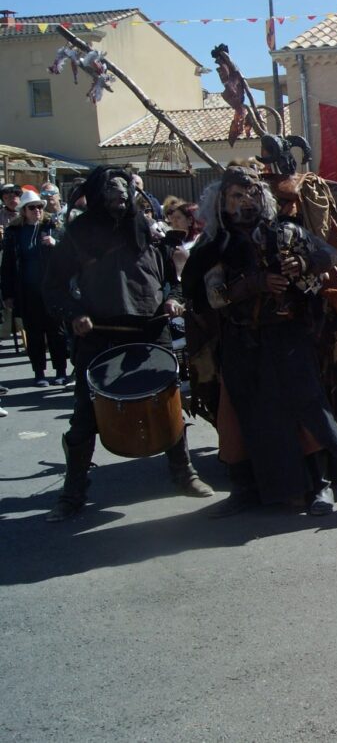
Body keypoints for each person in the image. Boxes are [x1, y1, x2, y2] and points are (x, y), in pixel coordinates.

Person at [42, 167, 212, 522]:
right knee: (85, 417)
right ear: (96, 194)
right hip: (99, 335)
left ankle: (184, 474)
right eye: (111, 189)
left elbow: (174, 280)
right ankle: (73, 493)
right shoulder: (78, 233)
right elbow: (53, 287)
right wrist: (73, 313)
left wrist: (173, 300)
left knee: (169, 407)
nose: (120, 195)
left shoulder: (150, 230)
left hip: (150, 330)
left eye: (124, 189)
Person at [182, 167, 337, 514]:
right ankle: (246, 489)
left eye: (252, 194)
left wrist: (303, 261)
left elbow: (331, 256)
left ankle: (320, 486)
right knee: (243, 417)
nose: (246, 201)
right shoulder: (215, 244)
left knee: (306, 410)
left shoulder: (285, 231)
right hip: (241, 340)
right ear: (222, 203)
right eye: (236, 196)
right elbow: (201, 294)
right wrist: (251, 285)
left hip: (288, 337)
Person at [1, 190, 69, 386]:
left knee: (57, 333)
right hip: (27, 291)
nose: (37, 211)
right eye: (32, 207)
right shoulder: (15, 233)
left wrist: (56, 243)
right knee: (34, 334)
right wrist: (8, 294)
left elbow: (70, 254)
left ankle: (61, 371)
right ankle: (39, 372)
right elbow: (7, 266)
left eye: (40, 207)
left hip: (53, 290)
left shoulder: (52, 226)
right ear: (24, 211)